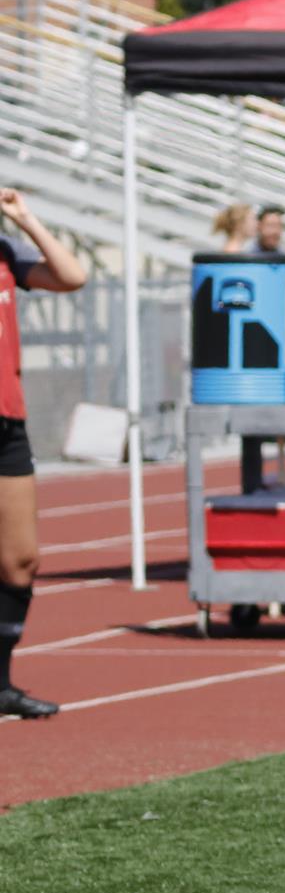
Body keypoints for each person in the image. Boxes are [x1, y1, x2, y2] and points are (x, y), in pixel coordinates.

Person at [0, 188, 88, 719]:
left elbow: (72, 276)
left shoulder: (6, 250)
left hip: (7, 420)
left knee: (20, 560)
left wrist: (27, 218)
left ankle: (0, 684)